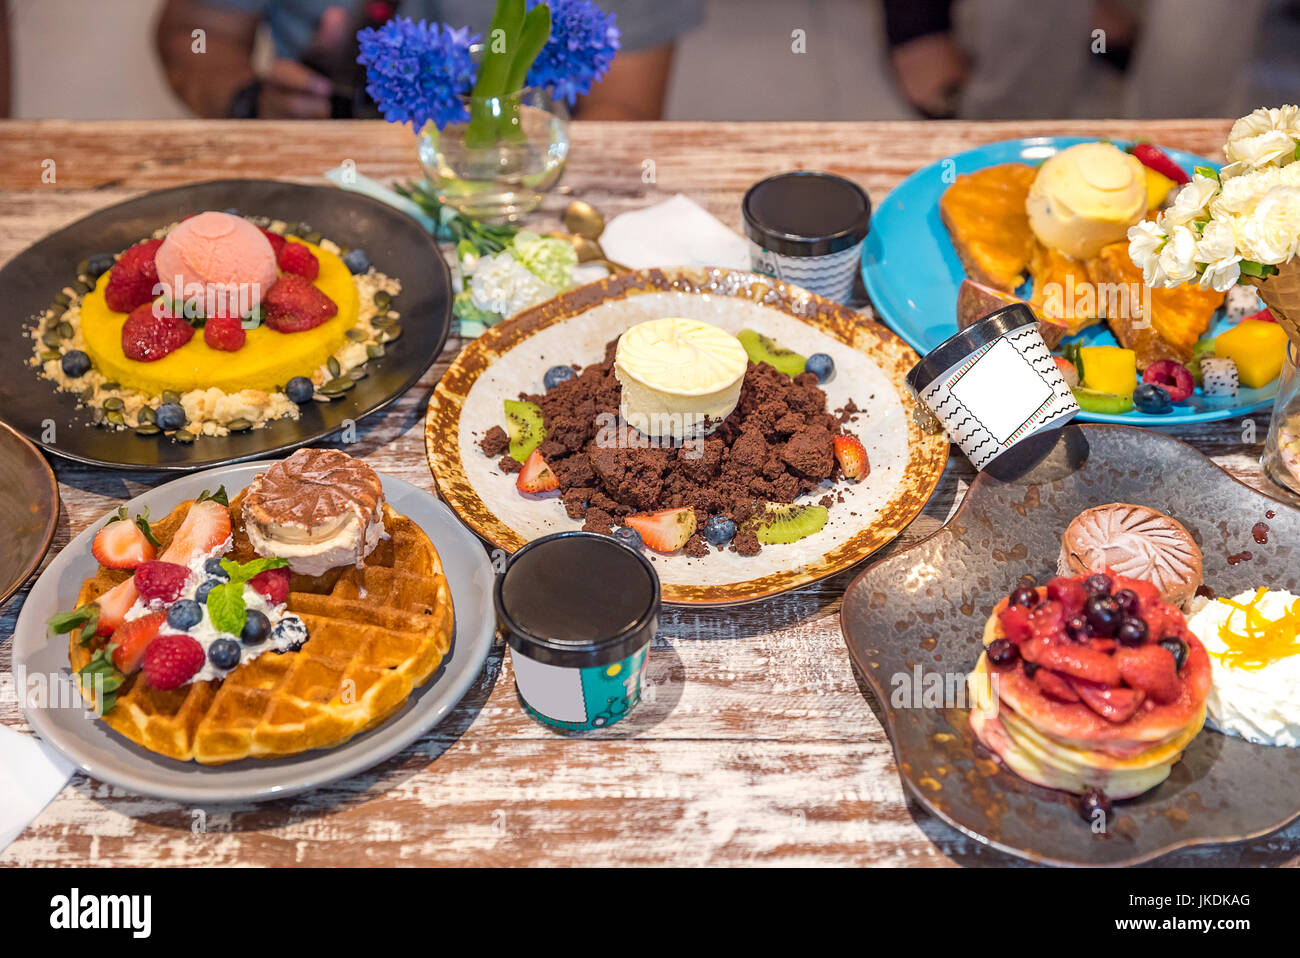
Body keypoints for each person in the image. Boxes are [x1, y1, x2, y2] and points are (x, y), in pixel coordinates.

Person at [156, 0, 702, 120]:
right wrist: (250, 102)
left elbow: (625, 104)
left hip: (511, 176)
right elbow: (194, 31)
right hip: (318, 147)